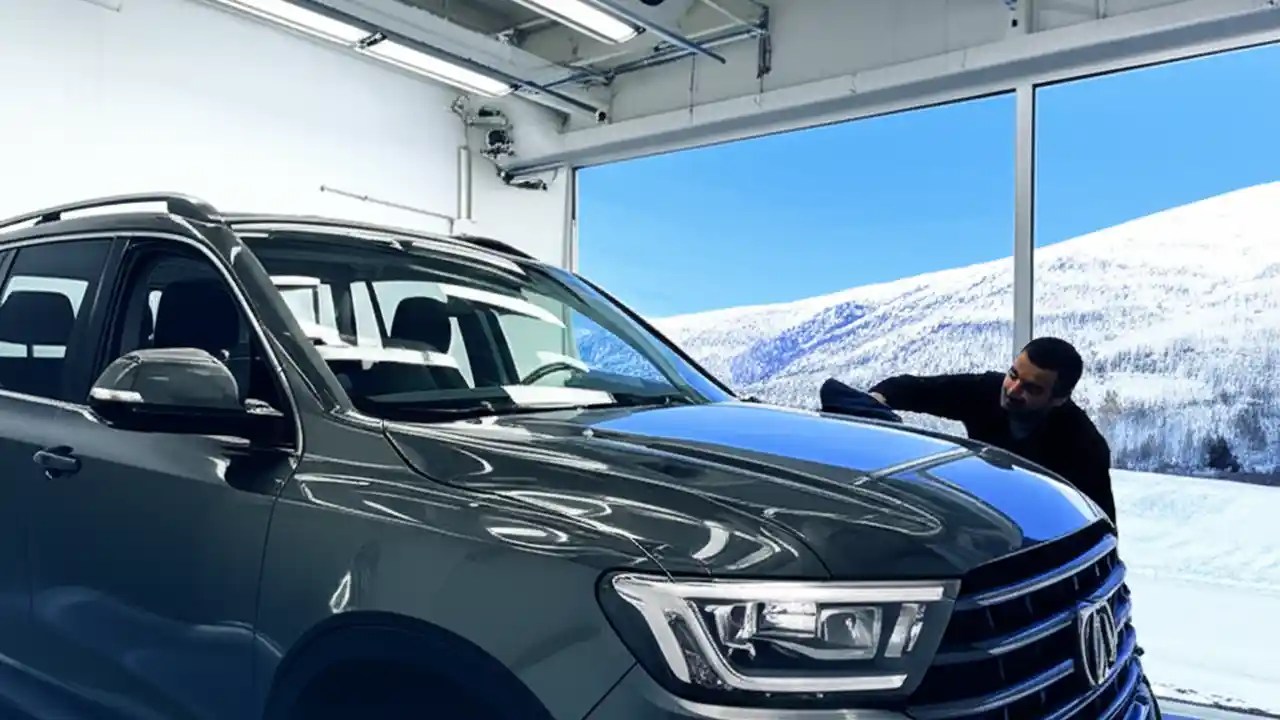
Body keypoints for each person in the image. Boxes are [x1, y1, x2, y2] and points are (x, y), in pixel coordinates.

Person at [866, 337, 1118, 527]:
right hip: (980, 514)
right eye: (1013, 375)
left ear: (1059, 399)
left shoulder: (1084, 446)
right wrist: (877, 398)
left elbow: (1099, 525)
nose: (1012, 390)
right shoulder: (986, 390)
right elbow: (919, 389)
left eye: (1031, 388)